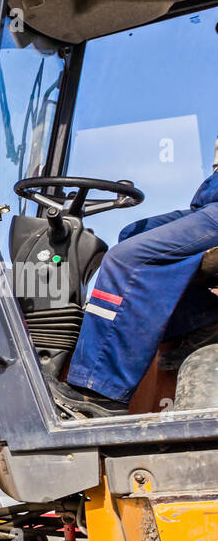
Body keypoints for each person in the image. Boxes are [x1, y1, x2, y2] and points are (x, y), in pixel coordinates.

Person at [64, 168, 218, 412]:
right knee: (131, 235)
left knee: (125, 259)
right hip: (210, 202)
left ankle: (102, 392)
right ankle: (204, 319)